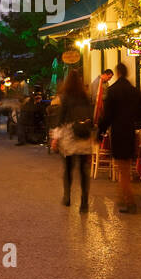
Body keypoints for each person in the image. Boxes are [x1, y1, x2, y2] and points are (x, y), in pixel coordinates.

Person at [98, 61, 141, 212]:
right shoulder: (134, 91)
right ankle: (122, 196)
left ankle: (130, 202)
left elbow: (107, 115)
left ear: (118, 73)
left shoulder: (113, 91)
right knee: (125, 167)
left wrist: (100, 131)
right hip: (130, 131)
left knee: (124, 169)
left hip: (118, 132)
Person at [52, 70, 94, 212]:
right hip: (82, 134)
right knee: (83, 169)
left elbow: (61, 118)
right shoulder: (85, 96)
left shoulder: (65, 97)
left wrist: (55, 137)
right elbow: (91, 116)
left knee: (68, 168)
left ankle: (67, 197)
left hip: (69, 134)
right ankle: (84, 202)